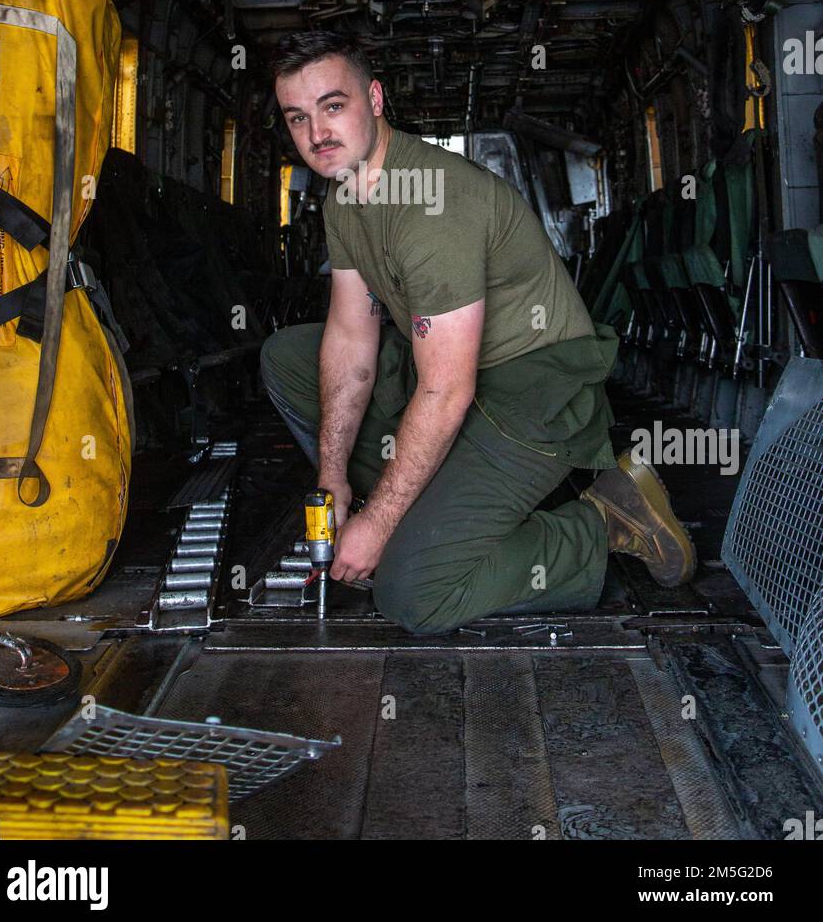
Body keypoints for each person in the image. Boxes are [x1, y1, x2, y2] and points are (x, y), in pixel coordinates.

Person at [260, 31, 696, 634]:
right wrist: (331, 478)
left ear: (376, 99)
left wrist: (382, 525)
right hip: (448, 376)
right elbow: (349, 337)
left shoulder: (432, 206)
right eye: (298, 117)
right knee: (289, 355)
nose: (317, 134)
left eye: (334, 106)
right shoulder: (346, 198)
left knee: (412, 592)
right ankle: (416, 510)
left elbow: (446, 391)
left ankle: (602, 519)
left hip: (531, 391)